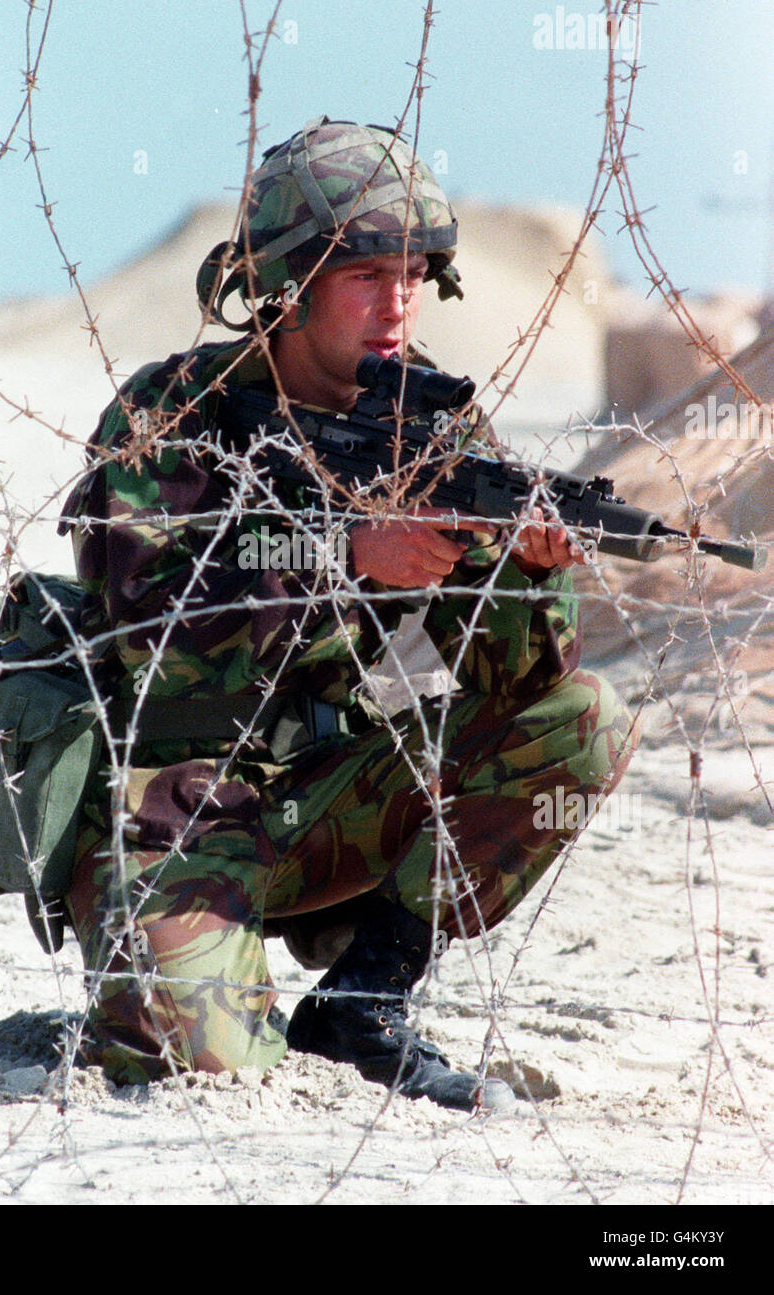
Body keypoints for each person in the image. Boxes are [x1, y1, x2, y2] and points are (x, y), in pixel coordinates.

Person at [58, 118, 639, 1112]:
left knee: (586, 719)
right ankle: (180, 969)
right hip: (173, 808)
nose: (397, 301)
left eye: (415, 272)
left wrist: (528, 573)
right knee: (204, 1065)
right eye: (365, 273)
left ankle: (363, 999)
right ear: (289, 283)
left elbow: (515, 688)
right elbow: (140, 612)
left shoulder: (433, 423)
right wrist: (343, 559)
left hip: (331, 797)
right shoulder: (173, 410)